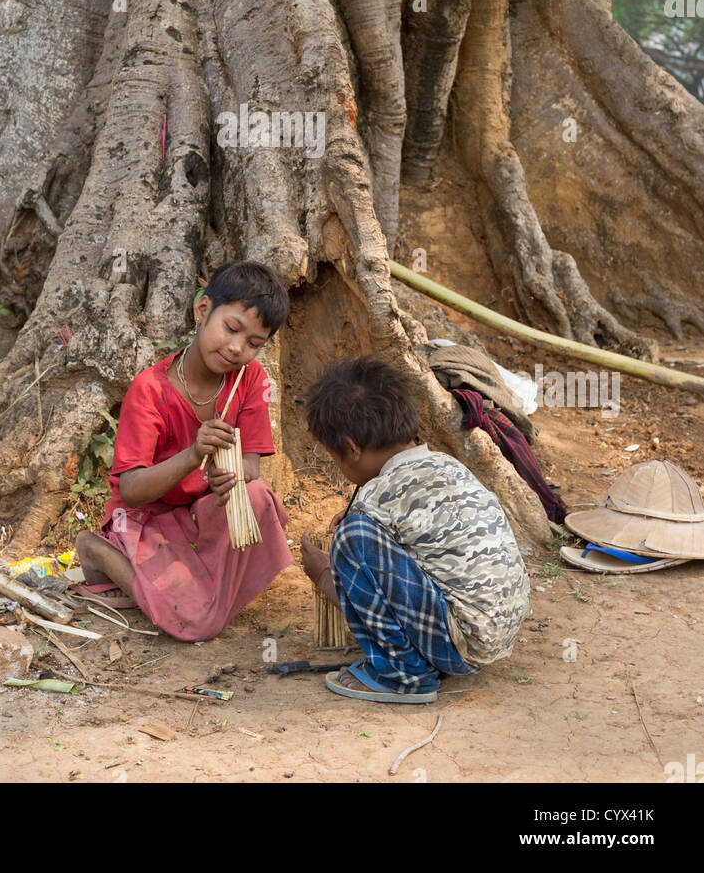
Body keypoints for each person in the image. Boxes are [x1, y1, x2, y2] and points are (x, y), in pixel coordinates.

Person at [75, 261, 294, 641]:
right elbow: (132, 489)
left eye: (254, 343)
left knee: (260, 499)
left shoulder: (251, 379)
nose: (237, 348)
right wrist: (193, 455)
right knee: (197, 622)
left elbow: (250, 468)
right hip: (148, 521)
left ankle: (185, 591)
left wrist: (231, 477)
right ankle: (99, 552)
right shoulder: (151, 390)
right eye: (232, 328)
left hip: (198, 519)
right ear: (202, 310)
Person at [299, 357, 530, 703]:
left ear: (351, 447)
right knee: (360, 535)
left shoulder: (376, 499)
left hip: (462, 643)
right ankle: (425, 655)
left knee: (351, 538)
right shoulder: (448, 465)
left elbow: (363, 591)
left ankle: (404, 675)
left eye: (335, 455)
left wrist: (322, 572)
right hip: (497, 636)